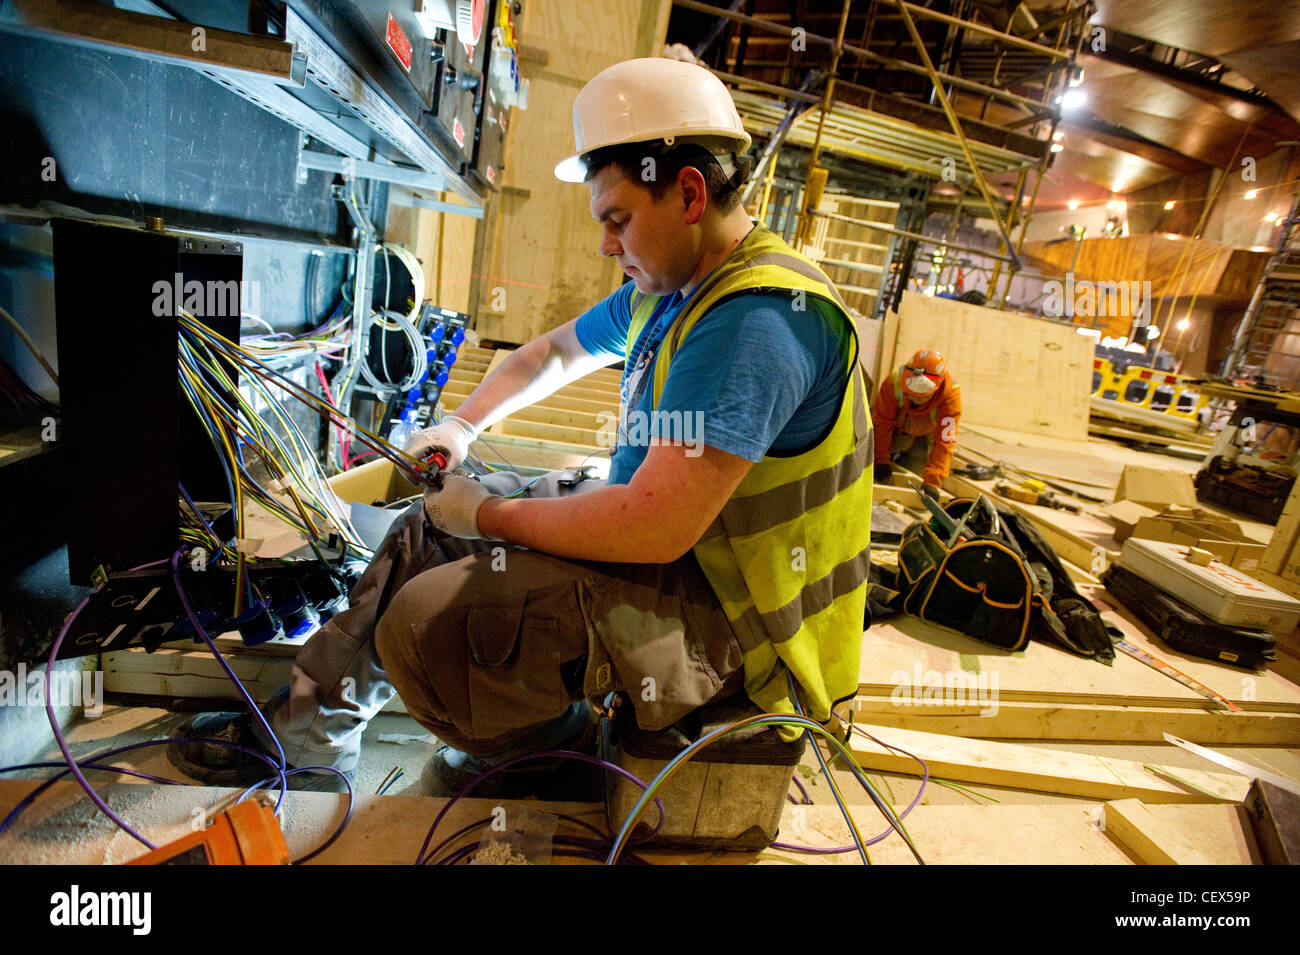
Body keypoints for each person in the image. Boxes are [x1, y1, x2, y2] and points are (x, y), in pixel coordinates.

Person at [169, 57, 873, 798]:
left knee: (429, 626)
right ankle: (308, 742)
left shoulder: (755, 319)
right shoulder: (675, 287)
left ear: (690, 193)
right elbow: (555, 353)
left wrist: (490, 513)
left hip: (744, 643)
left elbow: (654, 526)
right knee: (424, 533)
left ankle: (554, 756)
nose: (607, 245)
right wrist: (462, 427)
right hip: (685, 567)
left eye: (618, 220)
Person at [872, 348, 961, 499]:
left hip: (924, 437)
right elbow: (881, 423)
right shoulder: (894, 382)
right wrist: (880, 461)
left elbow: (945, 441)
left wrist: (933, 481)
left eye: (922, 396)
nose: (915, 398)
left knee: (914, 469)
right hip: (896, 429)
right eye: (911, 393)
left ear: (937, 387)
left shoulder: (951, 397)